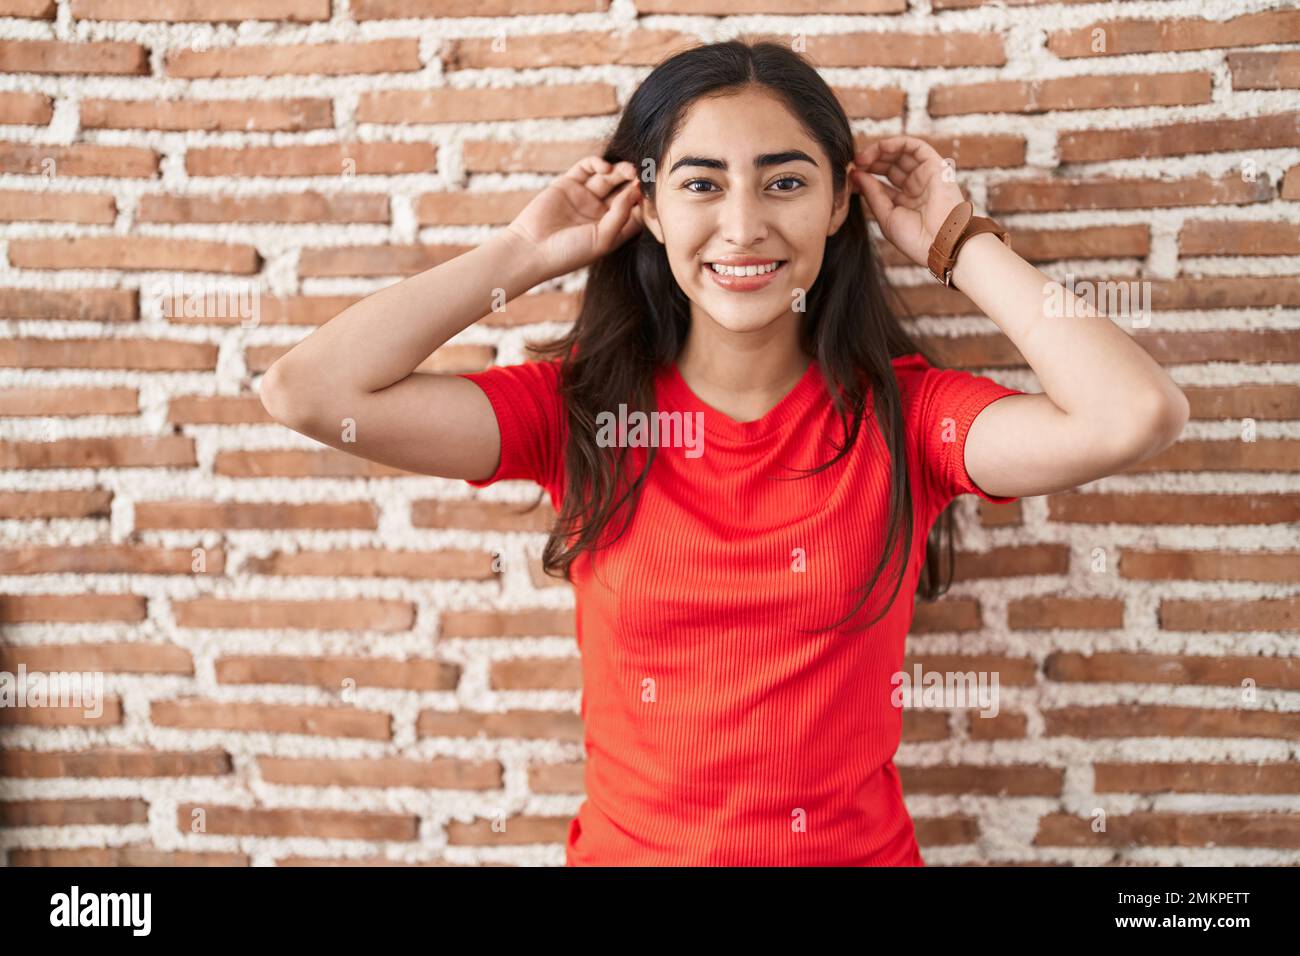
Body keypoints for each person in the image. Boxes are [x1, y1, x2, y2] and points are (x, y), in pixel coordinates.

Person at [260, 40, 1189, 866]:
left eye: (785, 181)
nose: (743, 226)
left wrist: (955, 243)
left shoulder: (909, 419)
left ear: (837, 206)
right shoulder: (580, 412)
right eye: (701, 183)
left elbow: (1133, 413)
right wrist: (520, 254)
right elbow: (308, 392)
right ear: (651, 210)